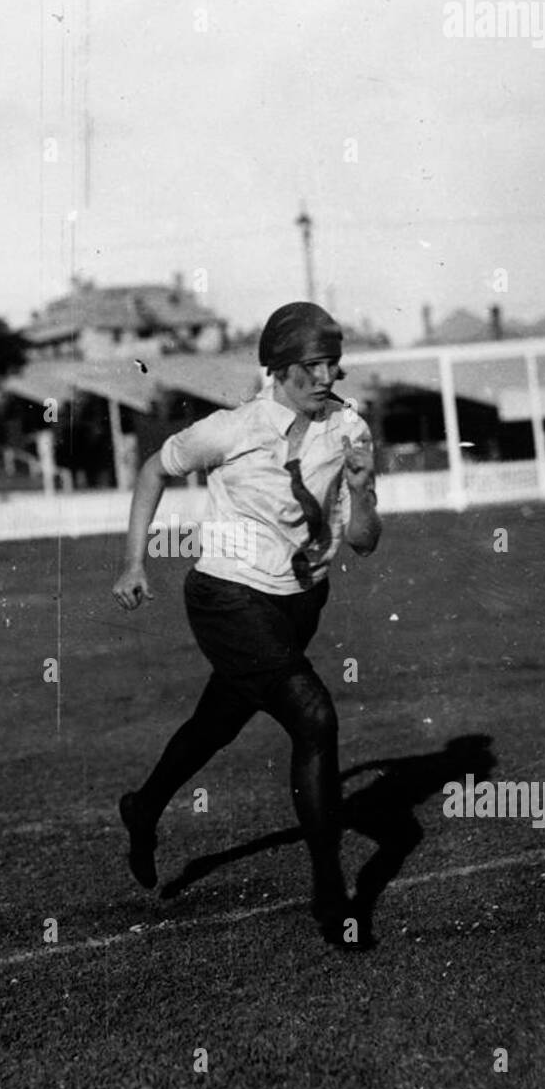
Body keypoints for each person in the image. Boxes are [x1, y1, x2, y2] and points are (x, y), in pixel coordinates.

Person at [111, 301, 382, 945]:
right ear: (281, 370)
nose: (327, 378)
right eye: (313, 367)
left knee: (218, 721)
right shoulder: (231, 429)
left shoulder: (350, 429)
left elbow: (365, 542)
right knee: (314, 716)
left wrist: (365, 491)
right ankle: (330, 894)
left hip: (298, 599)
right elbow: (153, 469)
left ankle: (143, 807)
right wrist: (133, 563)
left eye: (332, 366)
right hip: (226, 595)